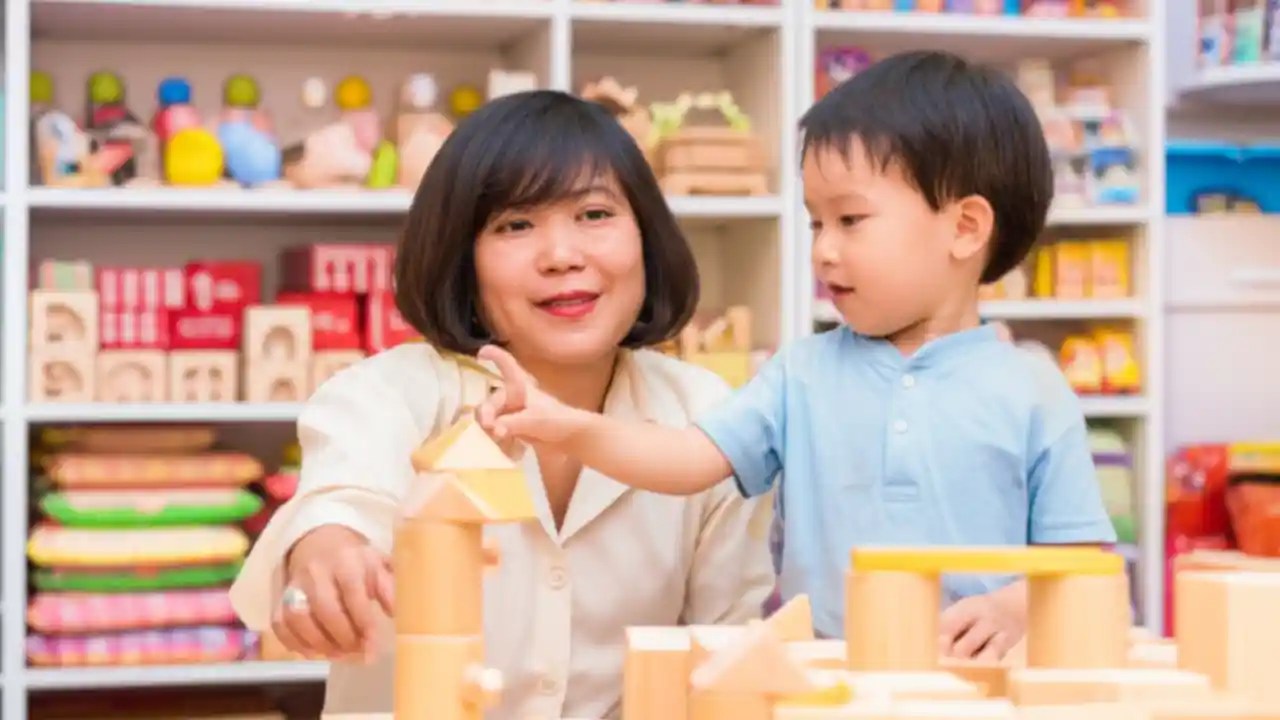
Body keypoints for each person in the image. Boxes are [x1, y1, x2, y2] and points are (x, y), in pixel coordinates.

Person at [475, 51, 1118, 661]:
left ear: (965, 228)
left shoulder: (1033, 386)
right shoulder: (801, 372)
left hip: (981, 688)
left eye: (851, 220)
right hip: (826, 683)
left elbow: (1086, 563)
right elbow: (686, 459)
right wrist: (570, 426)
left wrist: (1016, 606)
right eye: (816, 223)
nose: (823, 251)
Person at [228, 90, 773, 720]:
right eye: (515, 225)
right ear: (464, 260)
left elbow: (731, 648)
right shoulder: (387, 393)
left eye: (595, 214)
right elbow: (342, 502)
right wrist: (325, 555)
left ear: (647, 238)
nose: (562, 256)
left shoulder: (706, 414)